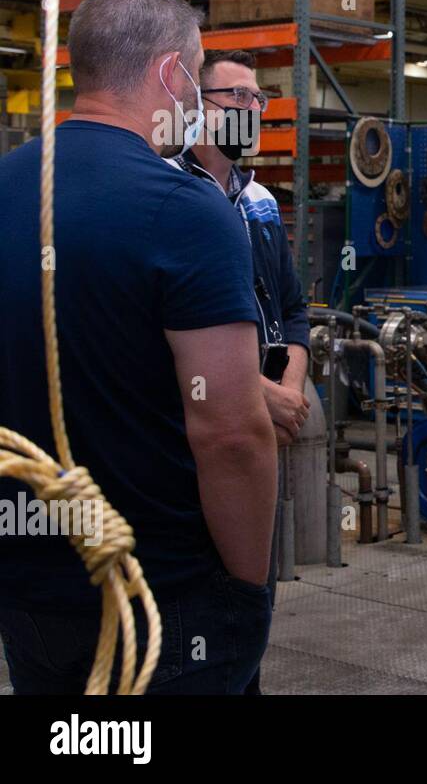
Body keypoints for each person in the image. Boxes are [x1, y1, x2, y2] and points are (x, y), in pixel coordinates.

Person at [0, 0, 278, 693]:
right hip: (162, 600)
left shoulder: (6, 186)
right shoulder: (185, 209)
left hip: (29, 592)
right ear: (167, 72)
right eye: (194, 77)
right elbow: (232, 435)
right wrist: (247, 590)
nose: (197, 102)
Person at [170, 49, 311, 695]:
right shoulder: (168, 192)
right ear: (196, 105)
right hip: (200, 435)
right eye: (238, 99)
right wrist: (253, 393)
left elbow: (292, 308)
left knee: (253, 599)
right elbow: (159, 333)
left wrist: (288, 388)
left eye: (259, 101)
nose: (253, 112)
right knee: (202, 606)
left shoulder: (258, 202)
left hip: (261, 429)